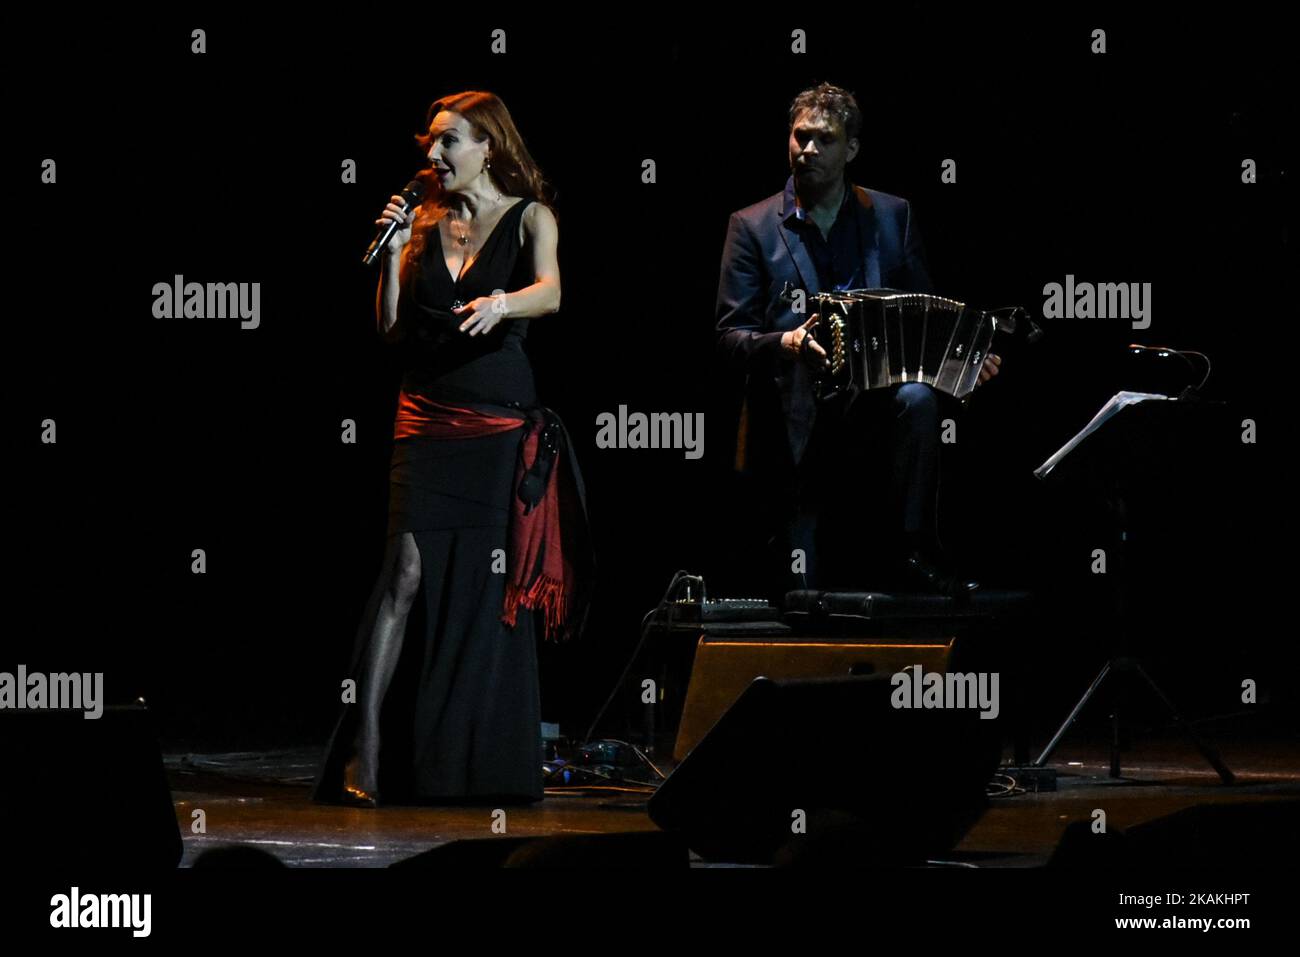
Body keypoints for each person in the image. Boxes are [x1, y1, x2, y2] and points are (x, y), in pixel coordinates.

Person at [313, 91, 593, 808]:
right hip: (427, 416)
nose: (433, 157)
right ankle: (366, 749)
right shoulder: (421, 225)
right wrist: (392, 251)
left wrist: (505, 302)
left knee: (484, 586)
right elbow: (390, 330)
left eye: (448, 143)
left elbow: (552, 293)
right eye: (431, 145)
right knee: (404, 570)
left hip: (497, 423)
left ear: (488, 148)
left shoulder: (532, 216)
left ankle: (467, 756)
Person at [715, 82, 1001, 598]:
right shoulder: (751, 226)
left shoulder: (892, 216)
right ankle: (799, 574)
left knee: (916, 399)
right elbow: (730, 337)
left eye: (824, 139)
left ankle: (912, 550)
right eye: (800, 137)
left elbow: (927, 319)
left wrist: (959, 360)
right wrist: (787, 343)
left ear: (851, 149)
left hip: (873, 401)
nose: (808, 149)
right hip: (796, 406)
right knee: (801, 593)